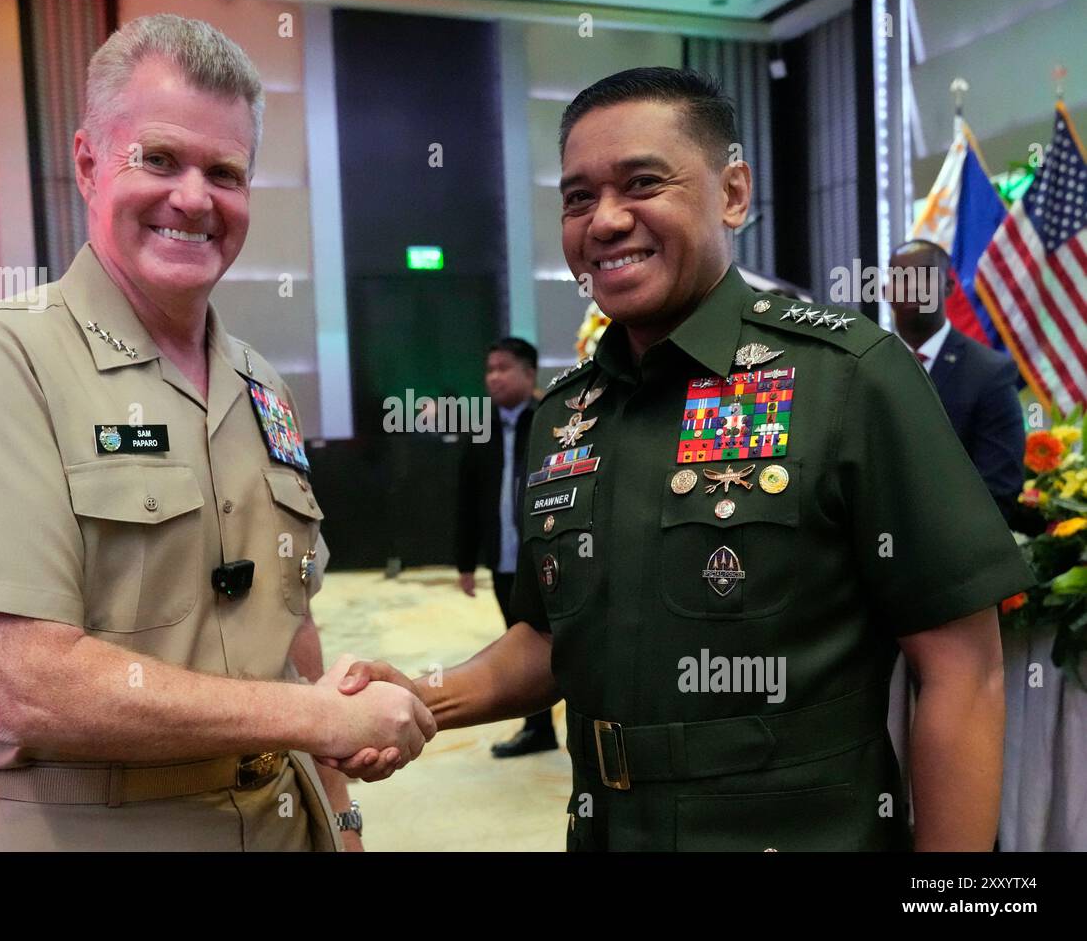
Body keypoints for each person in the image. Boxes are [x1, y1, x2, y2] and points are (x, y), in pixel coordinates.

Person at [322, 67, 1033, 851]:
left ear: (732, 193)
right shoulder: (566, 415)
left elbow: (965, 674)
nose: (606, 221)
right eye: (578, 197)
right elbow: (553, 638)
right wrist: (425, 695)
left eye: (643, 183)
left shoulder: (849, 377)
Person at [0, 14, 433, 852]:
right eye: (159, 159)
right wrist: (318, 716)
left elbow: (287, 630)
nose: (195, 199)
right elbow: (30, 684)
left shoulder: (260, 388)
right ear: (90, 163)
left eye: (226, 172)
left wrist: (341, 817)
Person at [456, 337, 557, 757]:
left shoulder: (553, 420)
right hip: (503, 558)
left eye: (503, 368)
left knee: (563, 643)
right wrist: (465, 562)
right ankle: (538, 728)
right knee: (518, 644)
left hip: (547, 560)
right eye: (489, 369)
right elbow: (466, 496)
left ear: (529, 374)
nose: (493, 378)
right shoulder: (480, 426)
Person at [886, 239, 1025, 525]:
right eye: (901, 278)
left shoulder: (990, 373)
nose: (911, 286)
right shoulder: (866, 366)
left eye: (924, 276)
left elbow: (999, 493)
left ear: (948, 287)